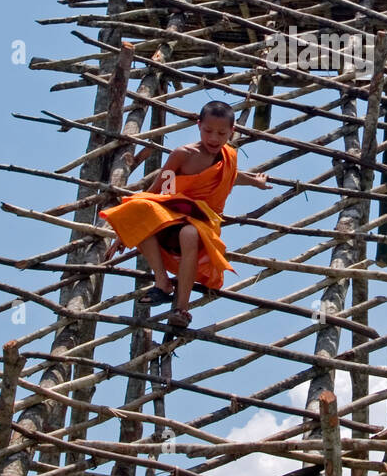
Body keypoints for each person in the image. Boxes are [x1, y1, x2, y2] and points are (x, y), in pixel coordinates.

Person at [99, 100, 270, 328]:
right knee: (137, 209)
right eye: (208, 131)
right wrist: (124, 230)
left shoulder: (228, 156)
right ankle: (163, 281)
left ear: (232, 132)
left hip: (204, 220)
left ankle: (181, 308)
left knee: (189, 234)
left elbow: (232, 176)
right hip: (173, 213)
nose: (214, 138)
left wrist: (255, 182)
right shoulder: (183, 155)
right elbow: (156, 190)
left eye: (221, 133)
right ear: (199, 126)